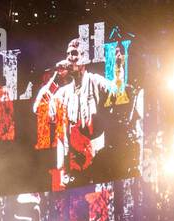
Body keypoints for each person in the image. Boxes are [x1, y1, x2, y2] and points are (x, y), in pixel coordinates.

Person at [33, 38, 119, 189]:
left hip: (98, 158)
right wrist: (56, 78)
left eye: (74, 53)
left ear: (84, 58)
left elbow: (117, 92)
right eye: (68, 54)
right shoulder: (63, 92)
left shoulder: (94, 81)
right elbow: (39, 109)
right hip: (74, 163)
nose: (70, 58)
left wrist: (118, 66)